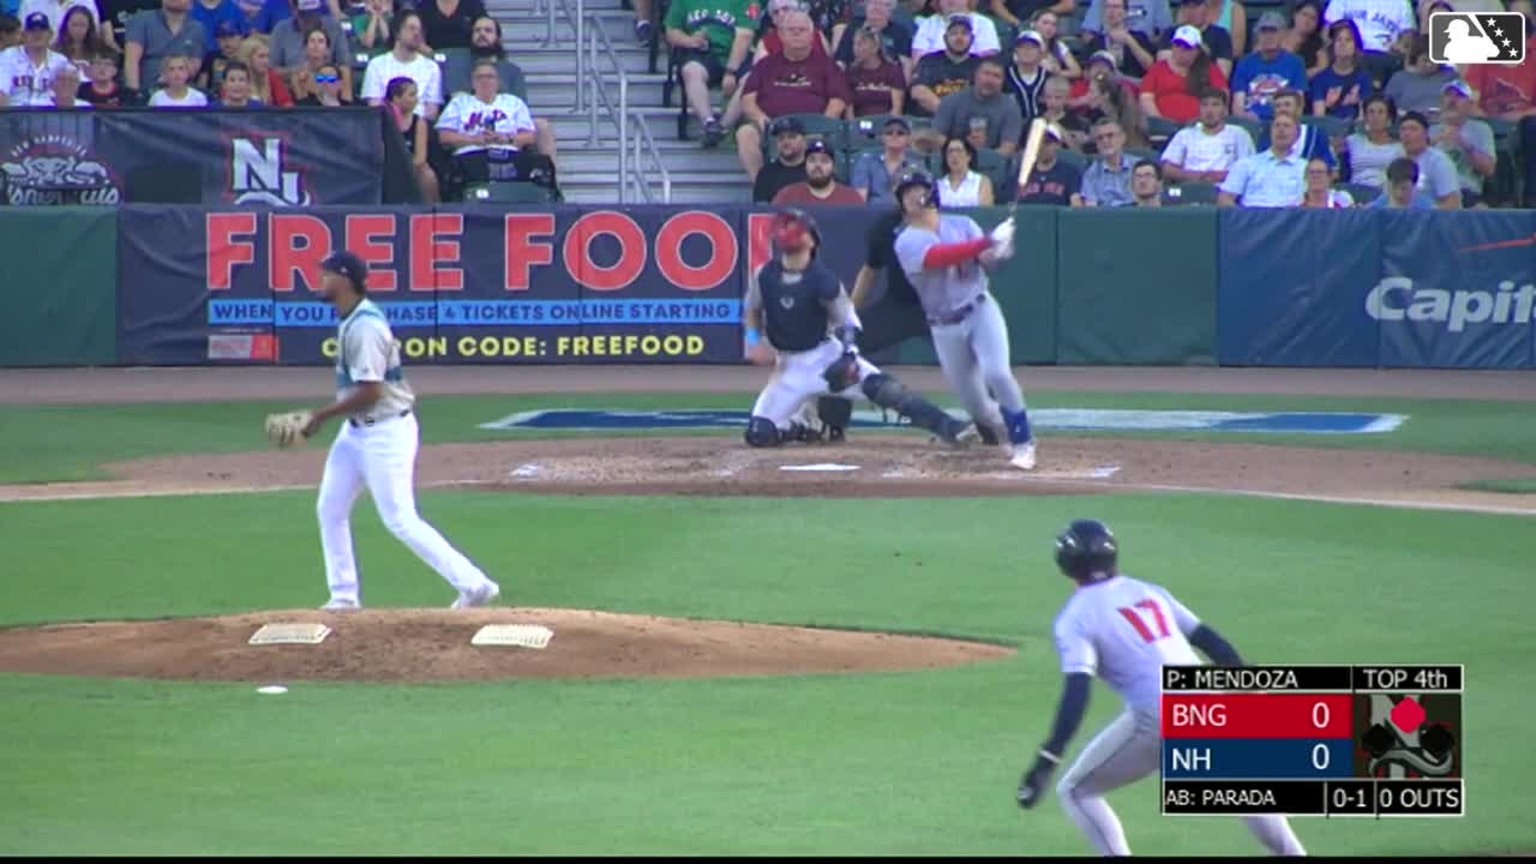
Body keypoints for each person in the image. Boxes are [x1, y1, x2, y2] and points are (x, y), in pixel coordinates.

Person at [1014, 518, 1310, 857]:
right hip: (1207, 703)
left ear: (1066, 564)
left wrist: (1047, 759)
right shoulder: (1147, 591)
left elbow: (1077, 693)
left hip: (1156, 717)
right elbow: (1207, 639)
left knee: (1076, 792)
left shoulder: (1075, 617)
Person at [277, 250, 501, 612]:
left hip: (385, 434)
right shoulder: (351, 318)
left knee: (400, 518)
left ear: (345, 278)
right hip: (355, 435)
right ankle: (344, 596)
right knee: (330, 509)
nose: (319, 280)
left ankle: (475, 584)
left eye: (326, 274)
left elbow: (371, 390)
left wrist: (319, 416)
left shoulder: (365, 326)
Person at [741, 208, 974, 449]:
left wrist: (849, 355)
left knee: (886, 390)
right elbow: (752, 310)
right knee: (760, 434)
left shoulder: (824, 280)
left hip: (824, 356)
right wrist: (753, 339)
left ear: (811, 240)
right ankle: (803, 427)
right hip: (788, 367)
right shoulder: (764, 275)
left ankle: (950, 427)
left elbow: (848, 321)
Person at [892, 169, 1037, 470]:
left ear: (933, 193)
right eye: (907, 194)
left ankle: (1024, 442)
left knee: (997, 373)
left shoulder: (962, 224)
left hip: (979, 309)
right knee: (978, 407)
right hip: (943, 325)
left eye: (918, 190)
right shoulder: (905, 241)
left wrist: (1000, 248)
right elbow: (939, 257)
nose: (914, 197)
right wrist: (985, 241)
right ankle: (1011, 429)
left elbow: (988, 263)